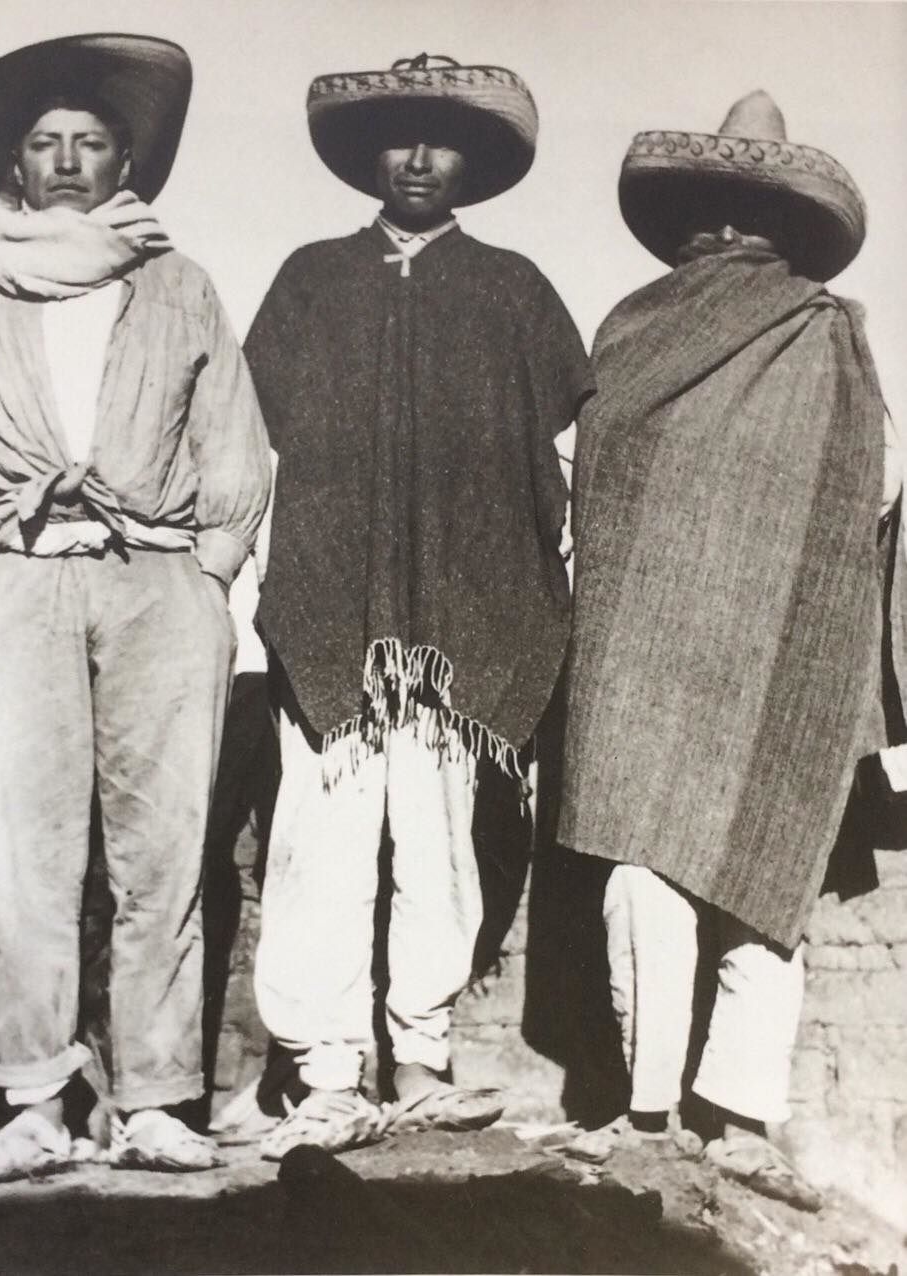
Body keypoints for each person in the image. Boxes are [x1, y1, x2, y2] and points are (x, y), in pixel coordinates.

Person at [0, 33, 271, 1182]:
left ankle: (160, 1098)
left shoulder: (177, 283)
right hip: (14, 581)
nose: (68, 161)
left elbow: (237, 449)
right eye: (45, 144)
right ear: (16, 165)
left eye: (91, 143)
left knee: (163, 848)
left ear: (128, 161)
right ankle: (35, 1102)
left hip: (158, 580)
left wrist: (204, 576)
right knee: (25, 852)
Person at [237, 53, 593, 1158]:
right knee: (324, 839)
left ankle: (424, 1056)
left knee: (438, 842)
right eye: (399, 139)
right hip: (334, 606)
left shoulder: (514, 291)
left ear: (472, 159)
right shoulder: (309, 282)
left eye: (441, 141)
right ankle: (326, 1070)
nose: (420, 160)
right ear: (368, 155)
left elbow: (558, 460)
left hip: (460, 618)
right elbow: (255, 437)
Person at [553, 91, 897, 1208]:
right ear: (687, 217)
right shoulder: (633, 327)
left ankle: (737, 1117)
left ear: (785, 228)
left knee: (766, 874)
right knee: (649, 869)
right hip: (649, 639)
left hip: (779, 641)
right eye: (712, 213)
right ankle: (654, 1112)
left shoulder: (825, 333)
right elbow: (595, 478)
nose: (727, 237)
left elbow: (871, 486)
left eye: (751, 218)